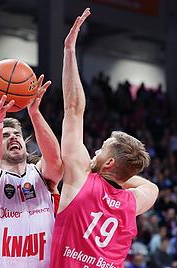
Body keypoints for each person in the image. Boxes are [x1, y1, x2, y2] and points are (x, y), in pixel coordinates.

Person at [50, 8, 159, 267]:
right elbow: (152, 188)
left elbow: (74, 109)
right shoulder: (133, 202)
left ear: (109, 164)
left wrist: (68, 51)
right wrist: (118, 171)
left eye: (101, 150)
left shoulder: (80, 179)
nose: (95, 153)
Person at [0, 75, 63, 267]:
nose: (13, 138)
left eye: (17, 135)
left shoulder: (42, 175)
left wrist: (35, 113)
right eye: (5, 136)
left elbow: (55, 160)